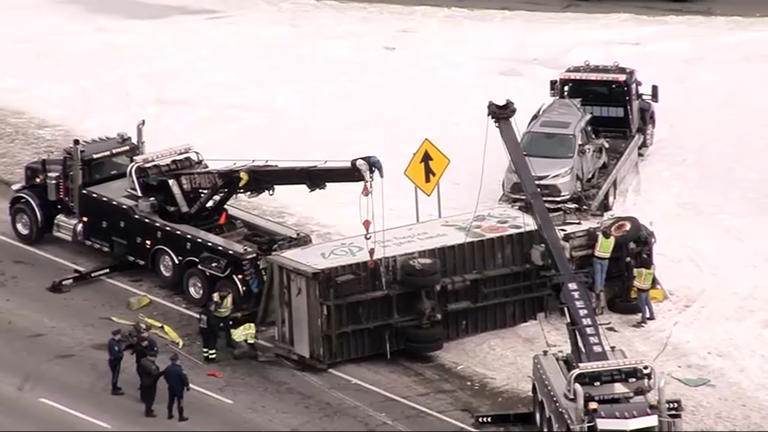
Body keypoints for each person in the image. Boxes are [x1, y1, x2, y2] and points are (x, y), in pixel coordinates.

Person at [592, 227, 615, 312]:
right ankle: (601, 289)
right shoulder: (612, 239)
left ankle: (597, 290)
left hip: (597, 258)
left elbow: (592, 235)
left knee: (597, 275)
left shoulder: (600, 237)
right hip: (606, 259)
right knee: (603, 275)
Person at [162, 353, 190, 422]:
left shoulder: (168, 368)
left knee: (170, 401)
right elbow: (184, 379)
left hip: (171, 387)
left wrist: (169, 382)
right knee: (180, 402)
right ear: (177, 361)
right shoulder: (180, 370)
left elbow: (165, 377)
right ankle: (181, 417)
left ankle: (169, 414)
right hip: (179, 389)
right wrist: (187, 386)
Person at [633, 259, 656, 327]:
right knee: (648, 303)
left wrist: (631, 262)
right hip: (647, 289)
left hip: (641, 290)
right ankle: (652, 315)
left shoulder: (642, 271)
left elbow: (633, 271)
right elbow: (653, 266)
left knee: (642, 305)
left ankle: (643, 319)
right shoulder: (651, 271)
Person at [138, 352, 162, 417]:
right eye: (154, 357)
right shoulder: (149, 365)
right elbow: (155, 373)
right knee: (150, 398)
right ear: (151, 357)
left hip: (145, 381)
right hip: (150, 382)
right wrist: (163, 372)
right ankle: (148, 412)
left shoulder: (143, 361)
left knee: (148, 396)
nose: (155, 359)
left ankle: (148, 409)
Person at [108, 329, 125, 396]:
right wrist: (121, 355)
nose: (121, 336)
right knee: (115, 375)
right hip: (114, 361)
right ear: (117, 335)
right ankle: (114, 390)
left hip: (116, 361)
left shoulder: (115, 341)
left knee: (116, 375)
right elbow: (115, 354)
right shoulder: (113, 343)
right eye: (120, 335)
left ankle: (115, 386)